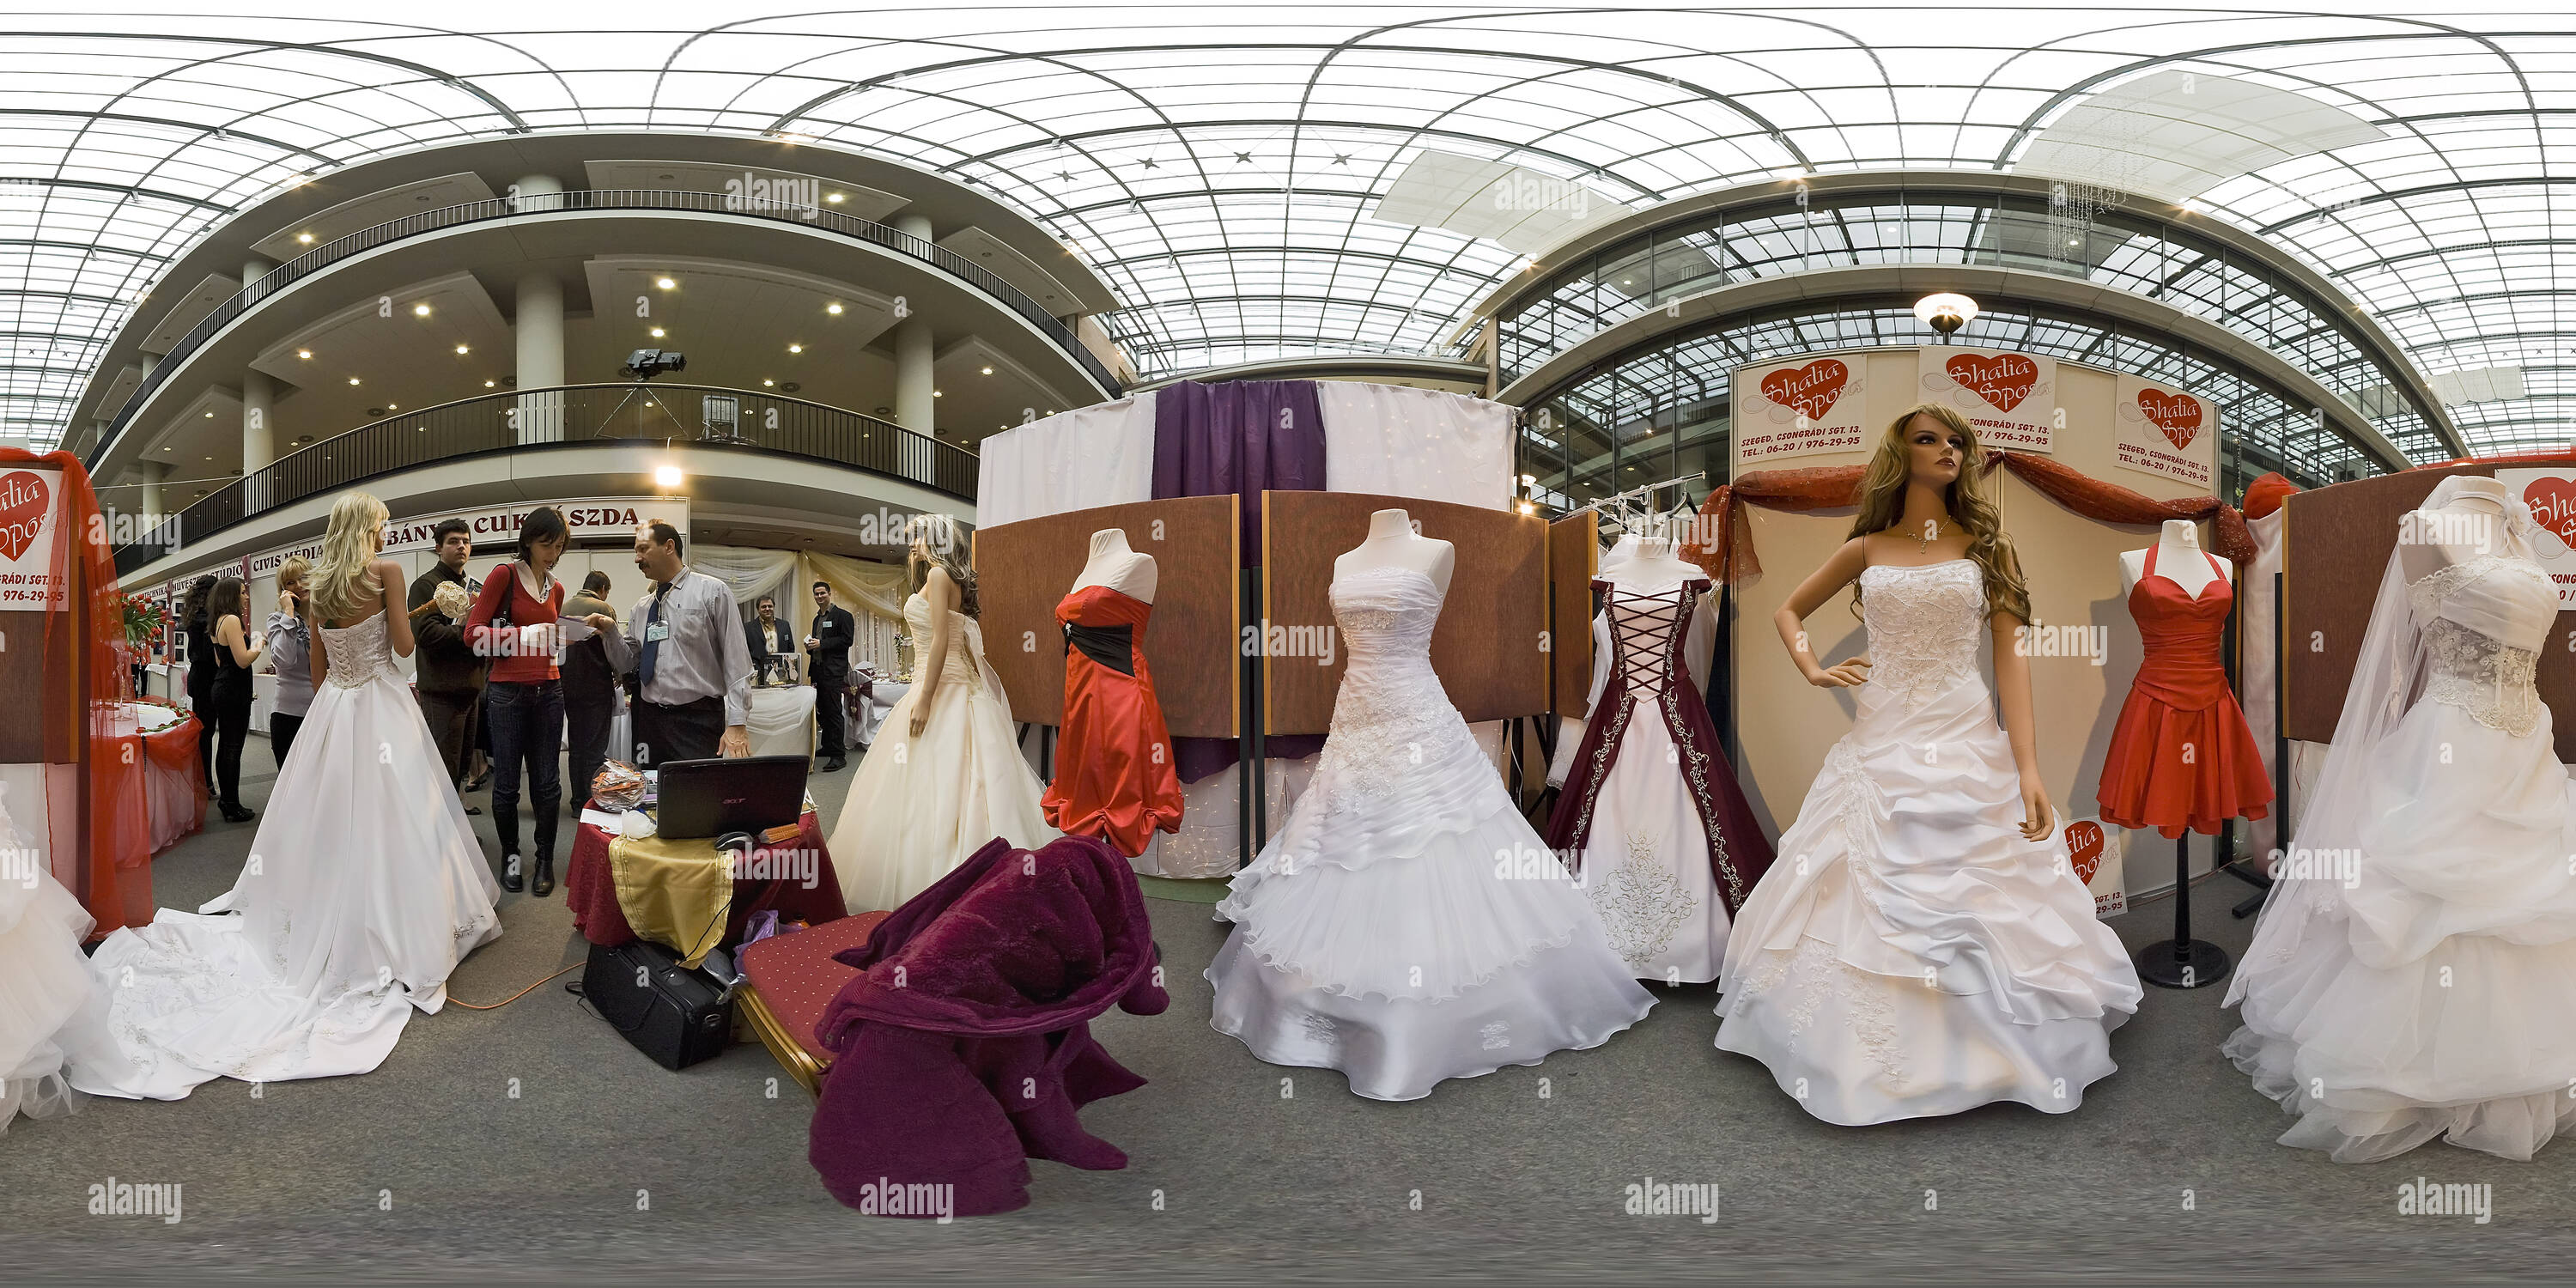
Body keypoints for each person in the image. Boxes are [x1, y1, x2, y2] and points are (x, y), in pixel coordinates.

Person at [1714, 403, 2141, 1125]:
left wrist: (2028, 767)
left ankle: (1997, 1046)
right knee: (1863, 871)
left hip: (1965, 729)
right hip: (1883, 734)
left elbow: (2012, 659)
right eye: (1928, 438)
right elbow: (1789, 612)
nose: (1947, 449)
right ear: (1900, 452)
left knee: (1978, 878)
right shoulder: (1868, 547)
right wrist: (1814, 667)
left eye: (1956, 441)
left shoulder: (1987, 547)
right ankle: (1859, 1050)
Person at [68, 490, 502, 1100]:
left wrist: (341, 695)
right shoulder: (389, 571)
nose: (385, 531)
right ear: (369, 528)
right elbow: (405, 649)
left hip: (337, 708)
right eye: (382, 523)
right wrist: (435, 609)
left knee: (325, 817)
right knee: (400, 814)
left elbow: (321, 671)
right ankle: (399, 922)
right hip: (379, 704)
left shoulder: (320, 585)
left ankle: (320, 912)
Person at [823, 526, 1056, 911]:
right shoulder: (946, 577)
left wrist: (926, 698)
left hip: (940, 687)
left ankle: (946, 880)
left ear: (935, 540)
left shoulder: (937, 574)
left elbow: (943, 641)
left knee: (942, 780)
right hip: (952, 684)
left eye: (917, 537)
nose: (911, 544)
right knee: (963, 780)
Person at [586, 520, 752, 765]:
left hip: (698, 720)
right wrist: (611, 632)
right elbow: (627, 663)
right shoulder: (642, 608)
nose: (636, 559)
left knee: (698, 793)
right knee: (653, 791)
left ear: (669, 547)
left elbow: (736, 659)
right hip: (650, 721)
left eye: (643, 549)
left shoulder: (712, 592)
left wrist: (737, 722)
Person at [465, 506, 569, 896]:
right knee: (507, 784)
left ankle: (544, 857)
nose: (553, 554)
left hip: (550, 688)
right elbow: (472, 636)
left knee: (548, 783)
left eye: (559, 547)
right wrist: (527, 636)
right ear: (528, 540)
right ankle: (512, 855)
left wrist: (564, 638)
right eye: (547, 545)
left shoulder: (556, 587)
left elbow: (551, 642)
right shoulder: (504, 575)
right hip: (507, 691)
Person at [409, 518, 488, 815]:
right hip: (442, 692)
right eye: (454, 541)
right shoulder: (426, 585)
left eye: (466, 541)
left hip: (470, 688)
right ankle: (437, 837)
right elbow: (425, 635)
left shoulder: (472, 587)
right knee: (442, 767)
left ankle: (452, 830)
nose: (462, 546)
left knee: (460, 766)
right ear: (439, 547)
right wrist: (468, 630)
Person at [206, 575, 265, 823]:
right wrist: (259, 643)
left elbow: (221, 660)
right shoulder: (231, 620)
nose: (246, 596)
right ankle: (232, 804)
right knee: (233, 749)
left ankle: (227, 800)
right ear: (231, 595)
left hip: (224, 686)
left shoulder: (217, 622)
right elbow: (242, 660)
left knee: (226, 747)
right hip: (233, 690)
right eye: (242, 592)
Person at [561, 569, 618, 812]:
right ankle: (592, 801)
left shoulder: (563, 607)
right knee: (595, 747)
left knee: (576, 745)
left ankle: (577, 802)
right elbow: (615, 650)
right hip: (597, 687)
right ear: (603, 588)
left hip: (569, 686)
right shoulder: (604, 609)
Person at [265, 556, 317, 769]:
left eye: (304, 578)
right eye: (290, 582)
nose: (299, 585)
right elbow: (284, 661)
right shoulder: (277, 620)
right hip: (288, 715)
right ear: (283, 590)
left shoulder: (326, 617)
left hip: (322, 712)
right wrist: (289, 614)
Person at [806, 580, 856, 771]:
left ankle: (838, 755)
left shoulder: (843, 616)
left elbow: (847, 641)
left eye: (822, 593)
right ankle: (827, 746)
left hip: (833, 672)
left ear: (829, 593)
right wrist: (811, 647)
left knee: (834, 712)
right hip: (818, 670)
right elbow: (818, 643)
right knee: (823, 712)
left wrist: (822, 643)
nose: (819, 597)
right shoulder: (816, 619)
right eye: (816, 594)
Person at [745, 594, 795, 683]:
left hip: (781, 672)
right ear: (758, 609)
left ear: (774, 607)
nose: (767, 609)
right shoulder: (748, 627)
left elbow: (790, 647)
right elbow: (745, 651)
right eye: (764, 607)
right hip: (758, 673)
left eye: (770, 606)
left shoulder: (785, 625)